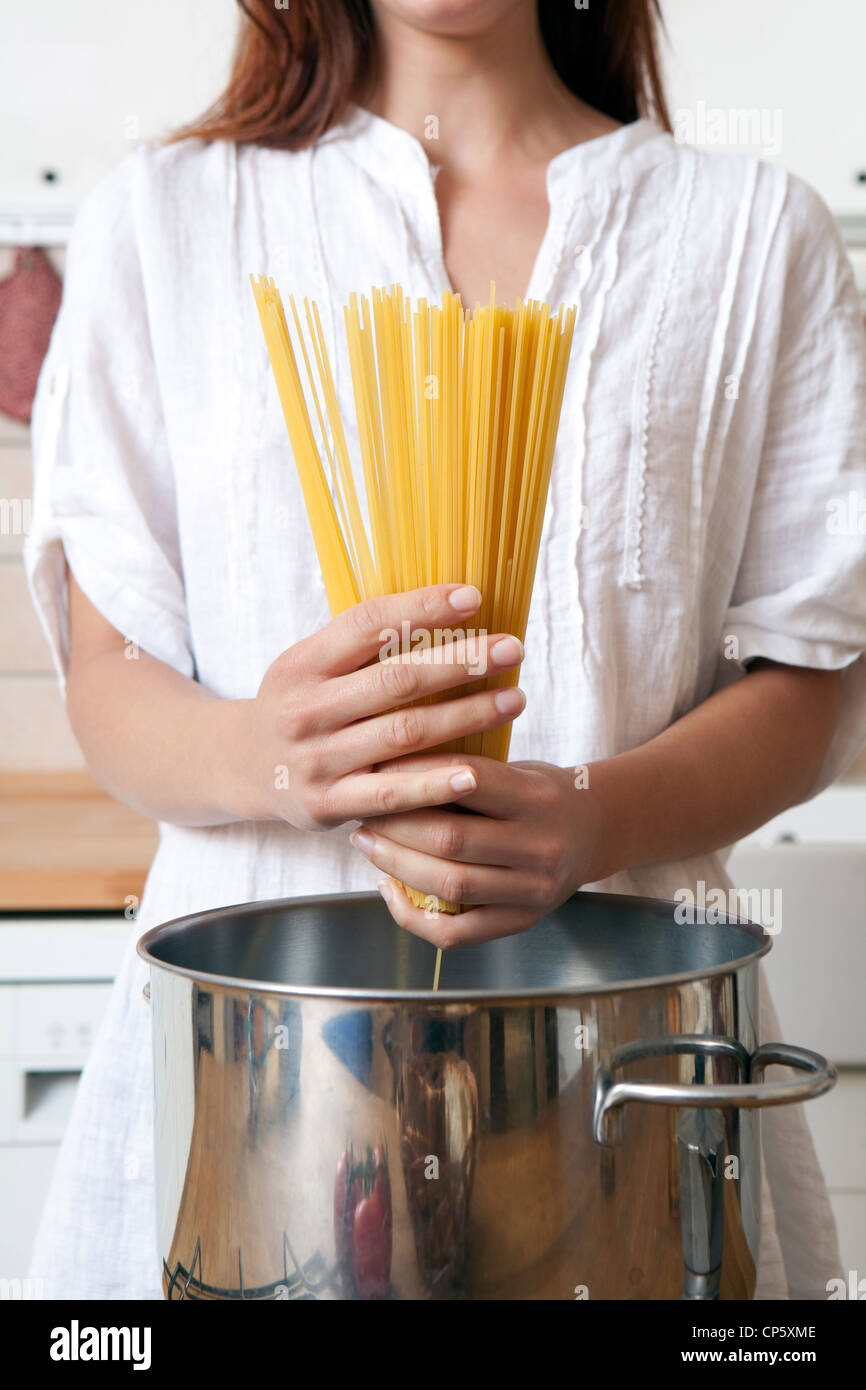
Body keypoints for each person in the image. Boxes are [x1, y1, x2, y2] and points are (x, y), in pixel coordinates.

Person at [25, 0, 866, 1300]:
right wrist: (264, 754)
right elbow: (106, 675)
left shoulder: (755, 234)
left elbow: (809, 686)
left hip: (628, 1096)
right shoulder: (165, 216)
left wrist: (595, 817)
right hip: (238, 1101)